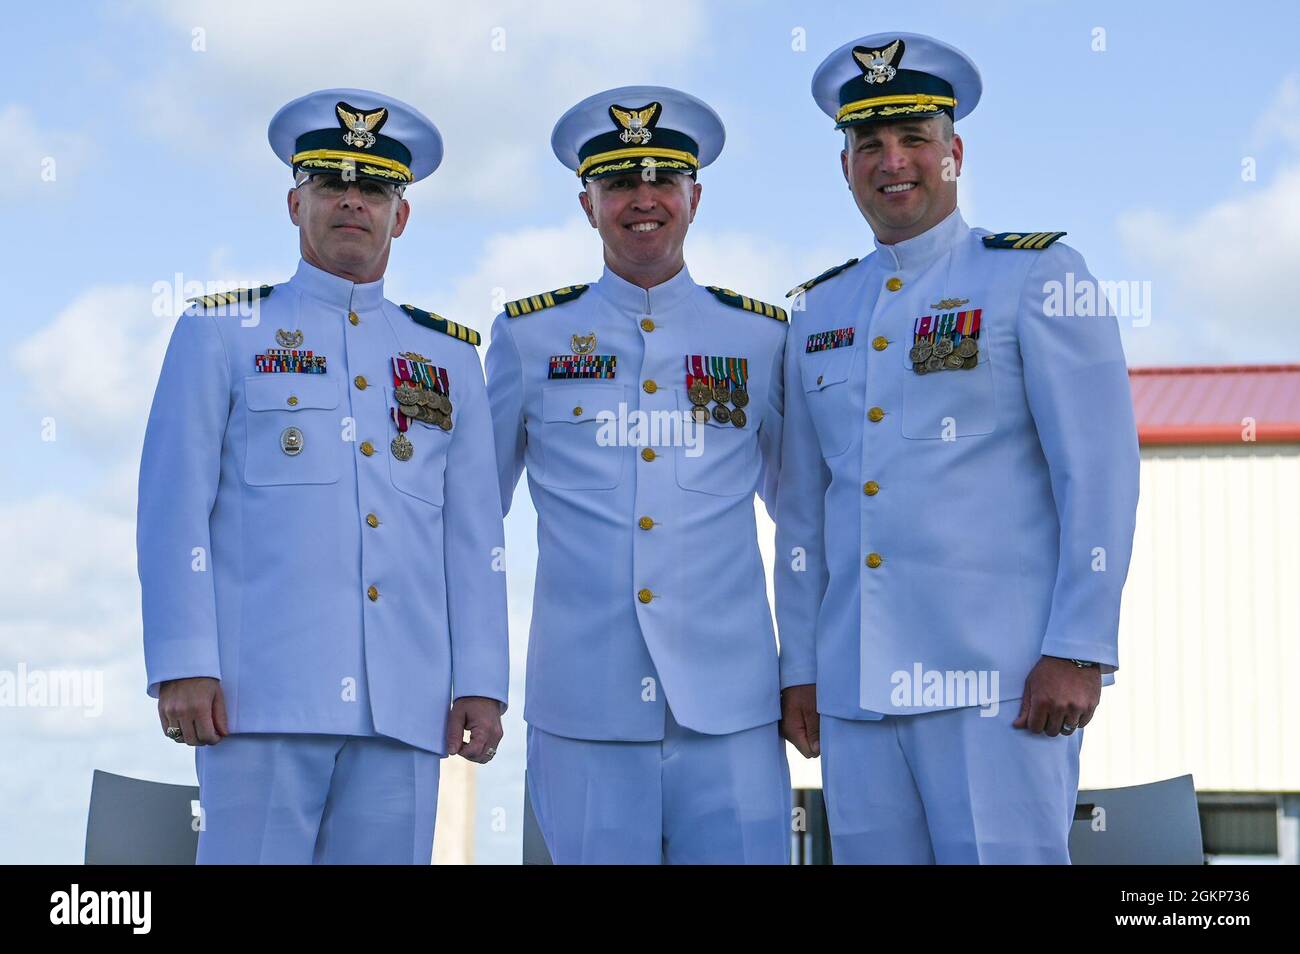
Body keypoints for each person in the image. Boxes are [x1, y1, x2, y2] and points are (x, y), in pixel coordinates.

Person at [775, 33, 1140, 863]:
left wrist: (1080, 648)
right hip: (858, 692)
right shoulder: (819, 314)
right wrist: (802, 666)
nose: (892, 160)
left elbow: (1101, 476)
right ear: (846, 166)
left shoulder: (1039, 278)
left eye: (914, 140)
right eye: (870, 144)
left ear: (955, 153)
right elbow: (803, 514)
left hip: (1000, 687)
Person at [137, 88, 509, 864]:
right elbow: (172, 512)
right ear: (294, 202)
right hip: (258, 697)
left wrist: (480, 680)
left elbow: (473, 536)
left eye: (373, 187)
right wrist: (184, 662)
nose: (352, 201)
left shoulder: (448, 359)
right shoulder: (220, 332)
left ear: (399, 215)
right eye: (332, 184)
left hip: (403, 707)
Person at [485, 86, 791, 863]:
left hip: (733, 709)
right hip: (583, 708)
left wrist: (809, 677)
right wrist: (472, 677)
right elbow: (467, 522)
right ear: (588, 203)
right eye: (620, 181)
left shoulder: (758, 338)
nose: (643, 198)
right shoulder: (529, 337)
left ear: (695, 196)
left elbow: (810, 524)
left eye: (663, 179)